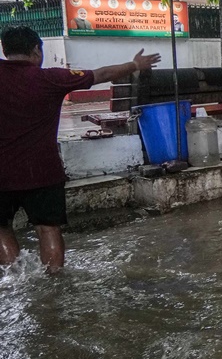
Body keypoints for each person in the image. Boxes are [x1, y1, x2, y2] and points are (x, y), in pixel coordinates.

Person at [0, 26, 160, 273]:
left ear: (4, 50)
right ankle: (54, 282)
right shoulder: (50, 78)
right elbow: (101, 74)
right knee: (48, 228)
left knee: (1, 228)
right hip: (43, 172)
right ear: (36, 50)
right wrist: (135, 64)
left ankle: (13, 278)